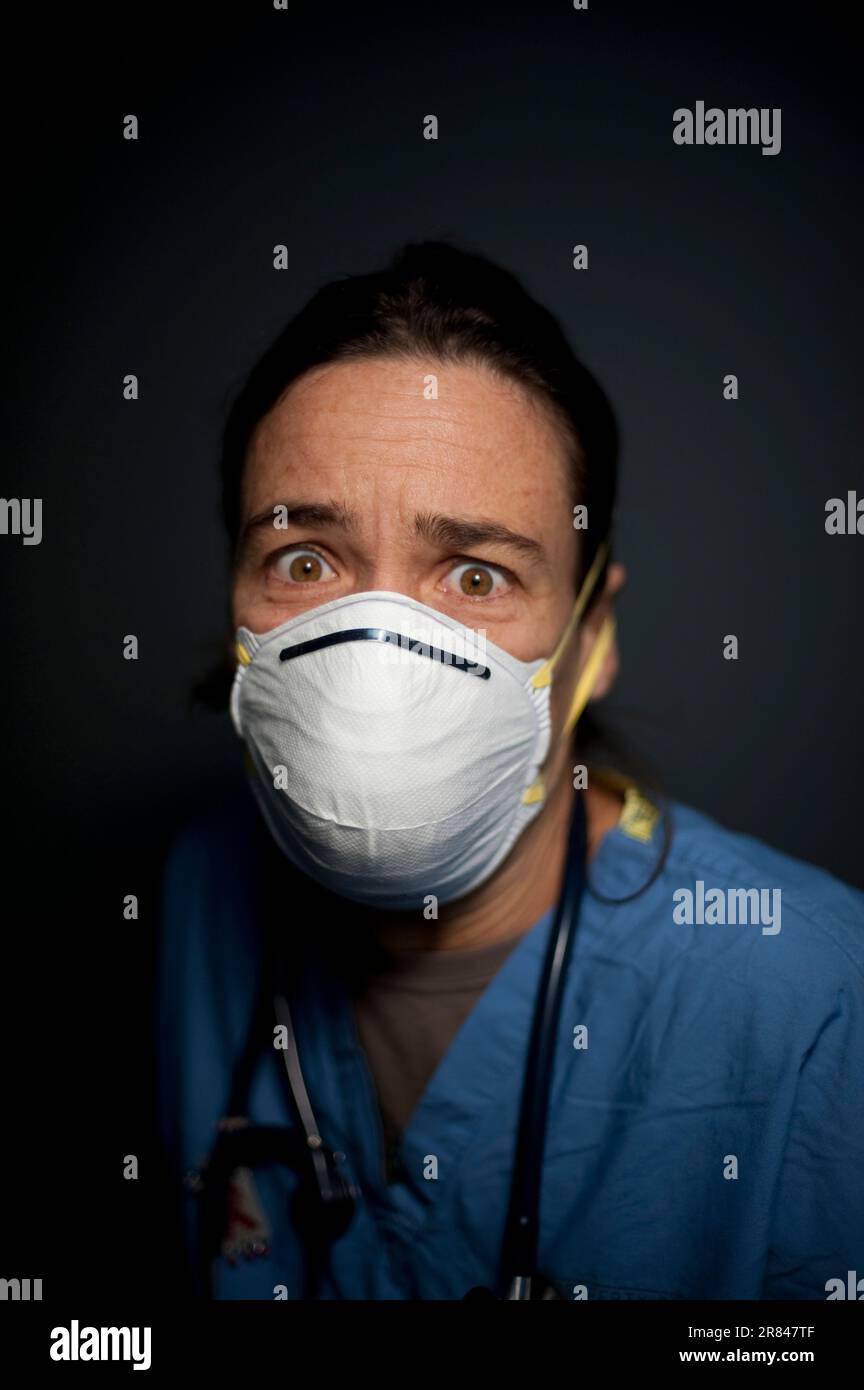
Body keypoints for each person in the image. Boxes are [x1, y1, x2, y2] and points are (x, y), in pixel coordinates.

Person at [156, 241, 864, 1300]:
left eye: (476, 573)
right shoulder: (203, 895)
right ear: (235, 604)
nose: (377, 655)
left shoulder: (817, 1004)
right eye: (305, 561)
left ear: (594, 636)